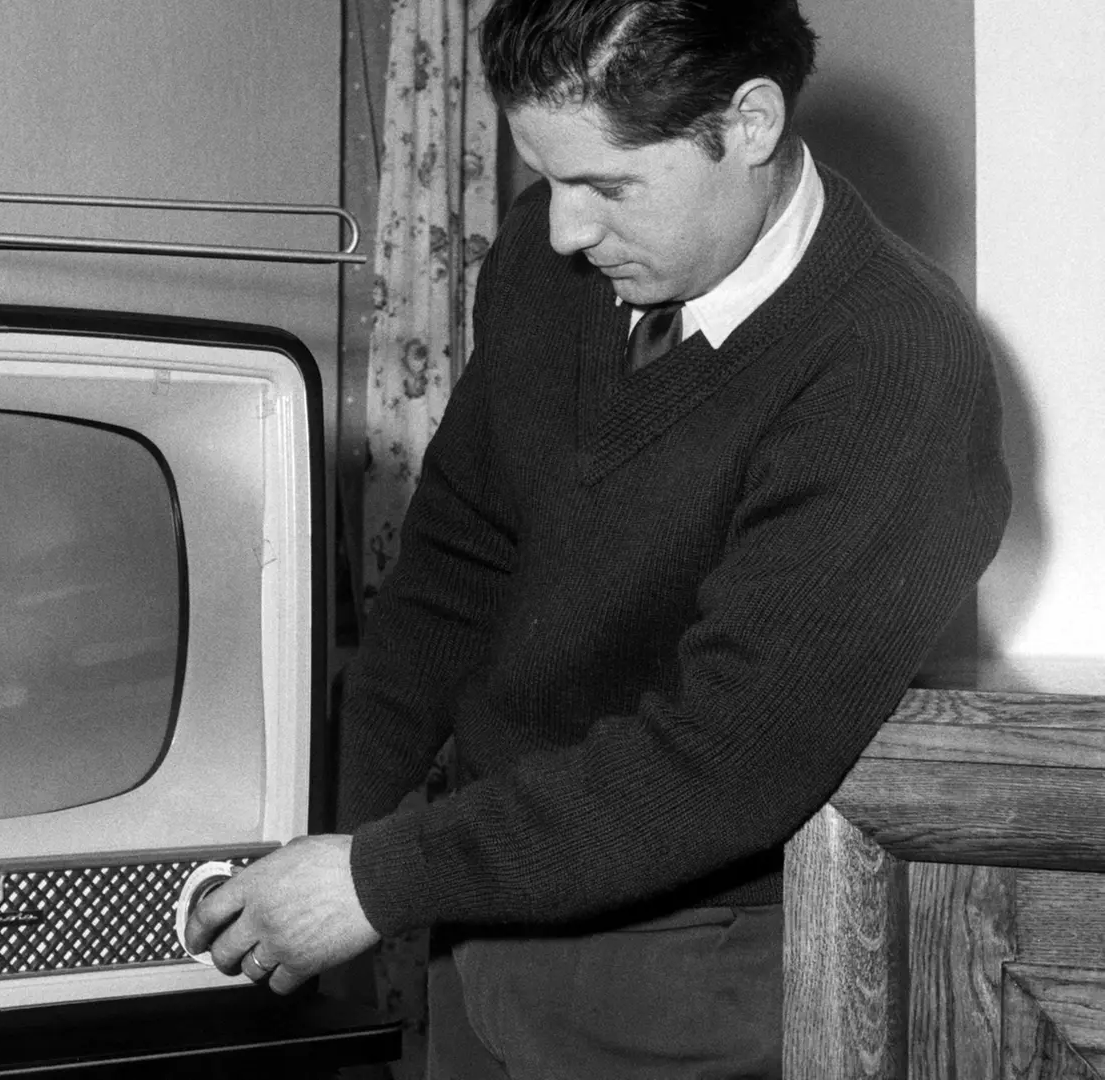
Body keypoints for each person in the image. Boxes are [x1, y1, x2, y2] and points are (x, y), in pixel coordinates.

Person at [183, 0, 1011, 1075]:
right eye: (547, 176)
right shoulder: (549, 264)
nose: (564, 231)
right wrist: (316, 846)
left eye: (609, 187)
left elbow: (725, 759)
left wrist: (372, 882)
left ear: (750, 123)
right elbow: (453, 571)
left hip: (694, 976)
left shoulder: (896, 363)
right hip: (480, 913)